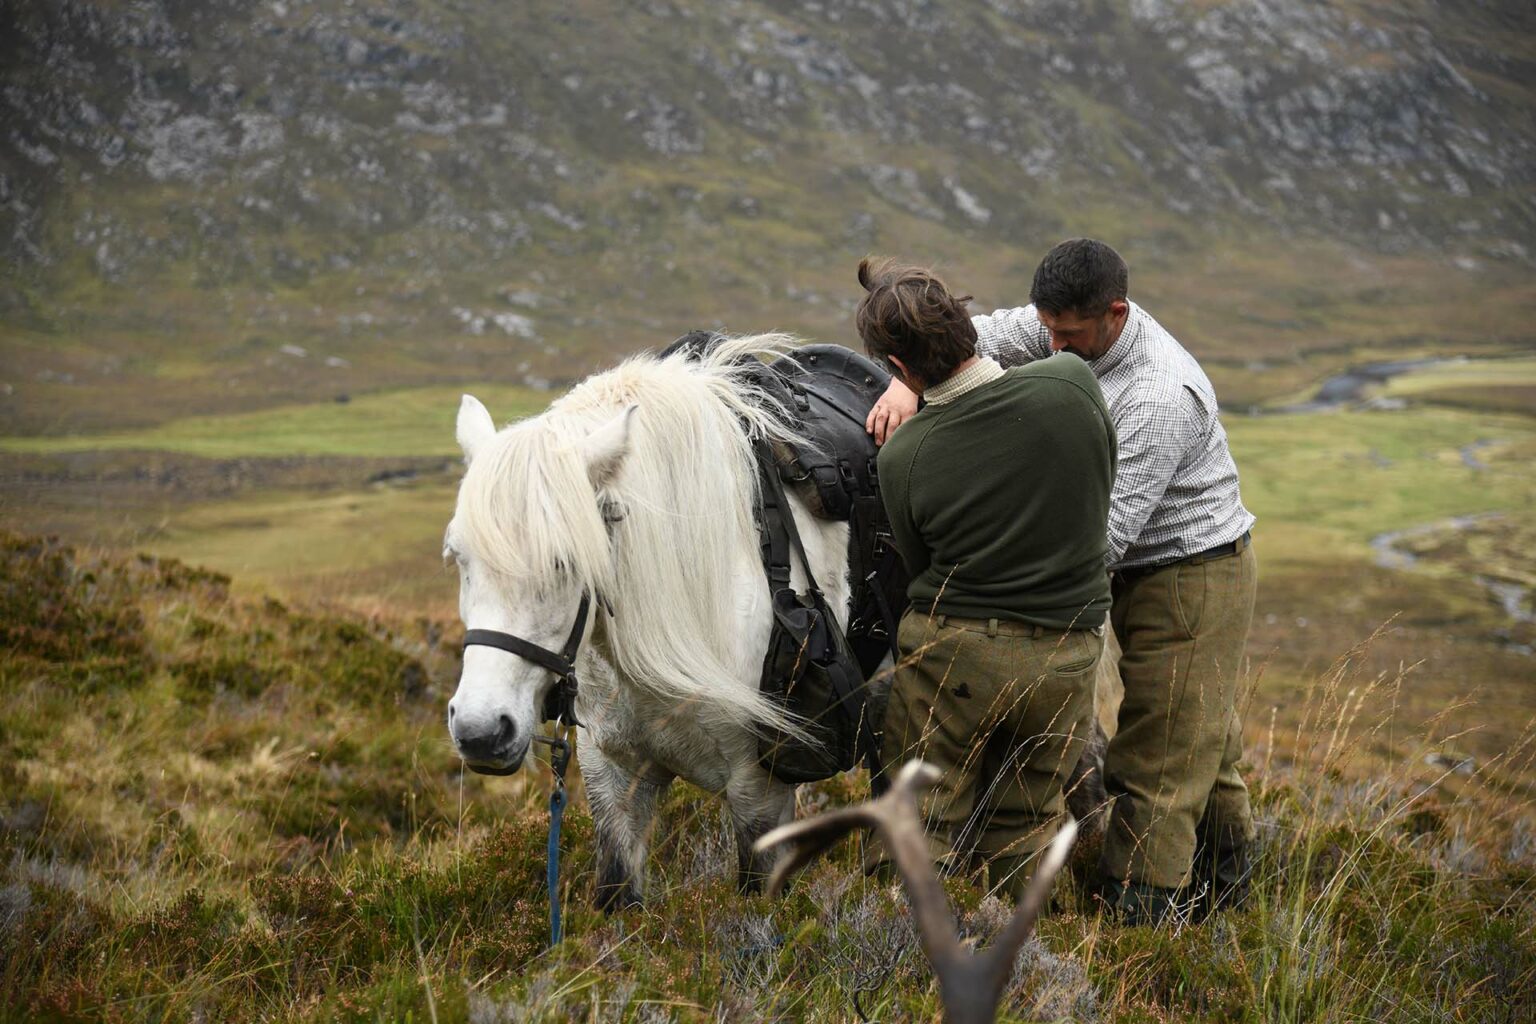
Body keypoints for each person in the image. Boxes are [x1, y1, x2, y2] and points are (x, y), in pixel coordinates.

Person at [867, 238, 1258, 924]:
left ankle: (1142, 918)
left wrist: (997, 586)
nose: (1053, 345)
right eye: (1047, 328)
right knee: (1204, 739)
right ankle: (1231, 885)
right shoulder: (1064, 329)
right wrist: (907, 382)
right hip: (1123, 560)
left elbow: (1098, 540)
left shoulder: (1160, 394)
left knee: (1162, 752)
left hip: (1187, 568)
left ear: (1115, 313)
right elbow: (970, 337)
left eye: (1068, 335)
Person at [854, 256, 1116, 902]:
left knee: (921, 821)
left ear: (898, 368)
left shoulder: (904, 454)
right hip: (1068, 656)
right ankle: (1023, 950)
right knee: (1027, 821)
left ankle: (912, 947)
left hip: (957, 658)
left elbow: (922, 566)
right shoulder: (1072, 384)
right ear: (968, 325)